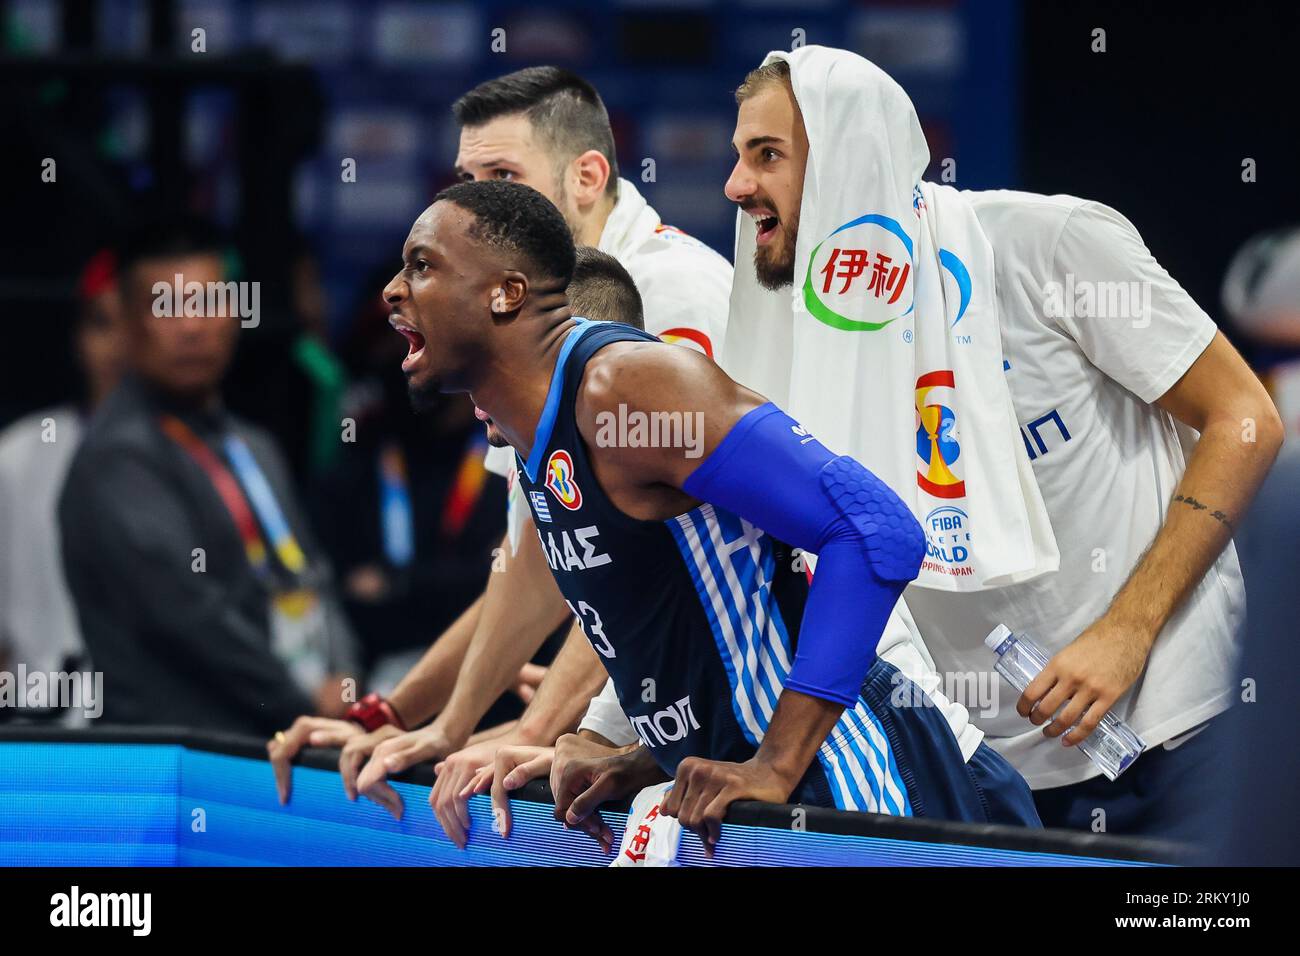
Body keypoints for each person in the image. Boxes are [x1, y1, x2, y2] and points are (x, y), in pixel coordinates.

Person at [720, 49, 1283, 838]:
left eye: (767, 156)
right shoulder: (791, 331)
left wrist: (1128, 631)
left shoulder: (1047, 244)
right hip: (982, 763)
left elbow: (1245, 418)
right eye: (739, 157)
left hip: (1171, 723)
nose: (736, 187)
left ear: (852, 159)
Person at [383, 179, 1040, 853]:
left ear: (507, 292)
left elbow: (877, 531)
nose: (394, 289)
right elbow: (694, 631)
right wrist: (635, 756)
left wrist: (776, 762)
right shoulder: (532, 435)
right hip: (735, 787)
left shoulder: (622, 390)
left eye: (423, 264)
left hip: (847, 776)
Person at [266, 67, 732, 844]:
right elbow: (537, 554)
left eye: (504, 178)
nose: (473, 208)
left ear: (587, 177)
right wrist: (418, 719)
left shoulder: (664, 294)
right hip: (670, 711)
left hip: (767, 707)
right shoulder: (526, 313)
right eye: (465, 181)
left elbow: (647, 551)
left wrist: (540, 726)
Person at [59, 216, 359, 736]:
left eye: (206, 301)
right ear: (127, 323)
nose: (191, 325)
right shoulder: (115, 458)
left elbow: (313, 578)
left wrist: (346, 680)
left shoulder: (254, 446)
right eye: (166, 307)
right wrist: (306, 700)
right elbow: (189, 616)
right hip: (171, 768)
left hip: (281, 742)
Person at [0, 249, 125, 721]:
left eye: (131, 323)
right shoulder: (16, 454)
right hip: (38, 733)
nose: (118, 346)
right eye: (101, 323)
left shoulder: (209, 454)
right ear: (77, 336)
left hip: (157, 734)